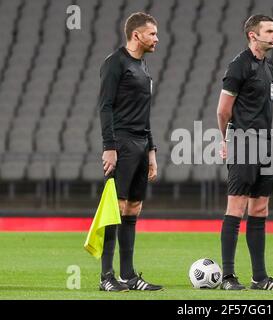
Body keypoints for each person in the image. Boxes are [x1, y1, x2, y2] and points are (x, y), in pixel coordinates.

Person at [216, 14, 273, 291]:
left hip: (266, 142)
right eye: (269, 31)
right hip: (243, 140)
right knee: (236, 206)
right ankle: (227, 277)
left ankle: (260, 278)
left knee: (260, 208)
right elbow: (223, 110)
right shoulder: (238, 65)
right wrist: (228, 139)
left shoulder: (269, 67)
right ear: (252, 35)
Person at [98, 12, 162, 292]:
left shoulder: (143, 67)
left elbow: (145, 114)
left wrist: (151, 151)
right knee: (116, 208)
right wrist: (109, 147)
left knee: (133, 207)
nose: (156, 39)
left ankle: (128, 276)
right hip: (121, 143)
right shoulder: (115, 63)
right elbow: (105, 106)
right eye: (152, 34)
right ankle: (106, 277)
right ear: (136, 35)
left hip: (140, 144)